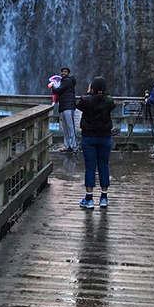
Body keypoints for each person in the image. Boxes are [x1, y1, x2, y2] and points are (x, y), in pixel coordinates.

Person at [76, 76, 116, 209]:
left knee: (90, 167)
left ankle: (89, 199)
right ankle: (104, 198)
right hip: (105, 137)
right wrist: (101, 92)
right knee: (104, 166)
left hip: (89, 138)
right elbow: (111, 101)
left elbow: (79, 104)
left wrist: (89, 92)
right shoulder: (108, 100)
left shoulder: (86, 100)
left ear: (92, 87)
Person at [56, 67, 78, 153]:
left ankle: (74, 146)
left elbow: (59, 90)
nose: (63, 73)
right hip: (64, 106)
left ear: (68, 73)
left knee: (70, 126)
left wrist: (53, 87)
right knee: (66, 127)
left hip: (68, 106)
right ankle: (68, 145)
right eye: (62, 72)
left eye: (65, 72)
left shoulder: (67, 81)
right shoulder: (64, 81)